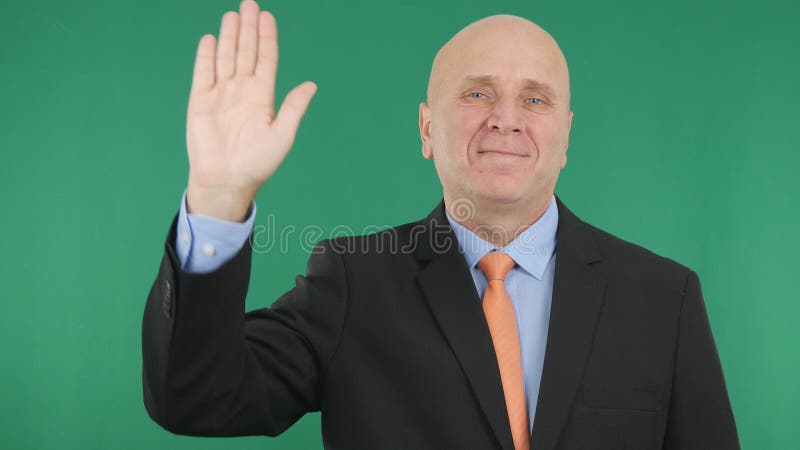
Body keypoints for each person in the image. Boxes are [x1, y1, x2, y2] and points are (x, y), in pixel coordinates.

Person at [141, 1, 741, 449]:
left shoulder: (665, 296)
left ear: (566, 137)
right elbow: (197, 400)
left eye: (534, 99)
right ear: (426, 128)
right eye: (477, 94)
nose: (506, 119)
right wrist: (218, 198)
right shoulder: (352, 281)